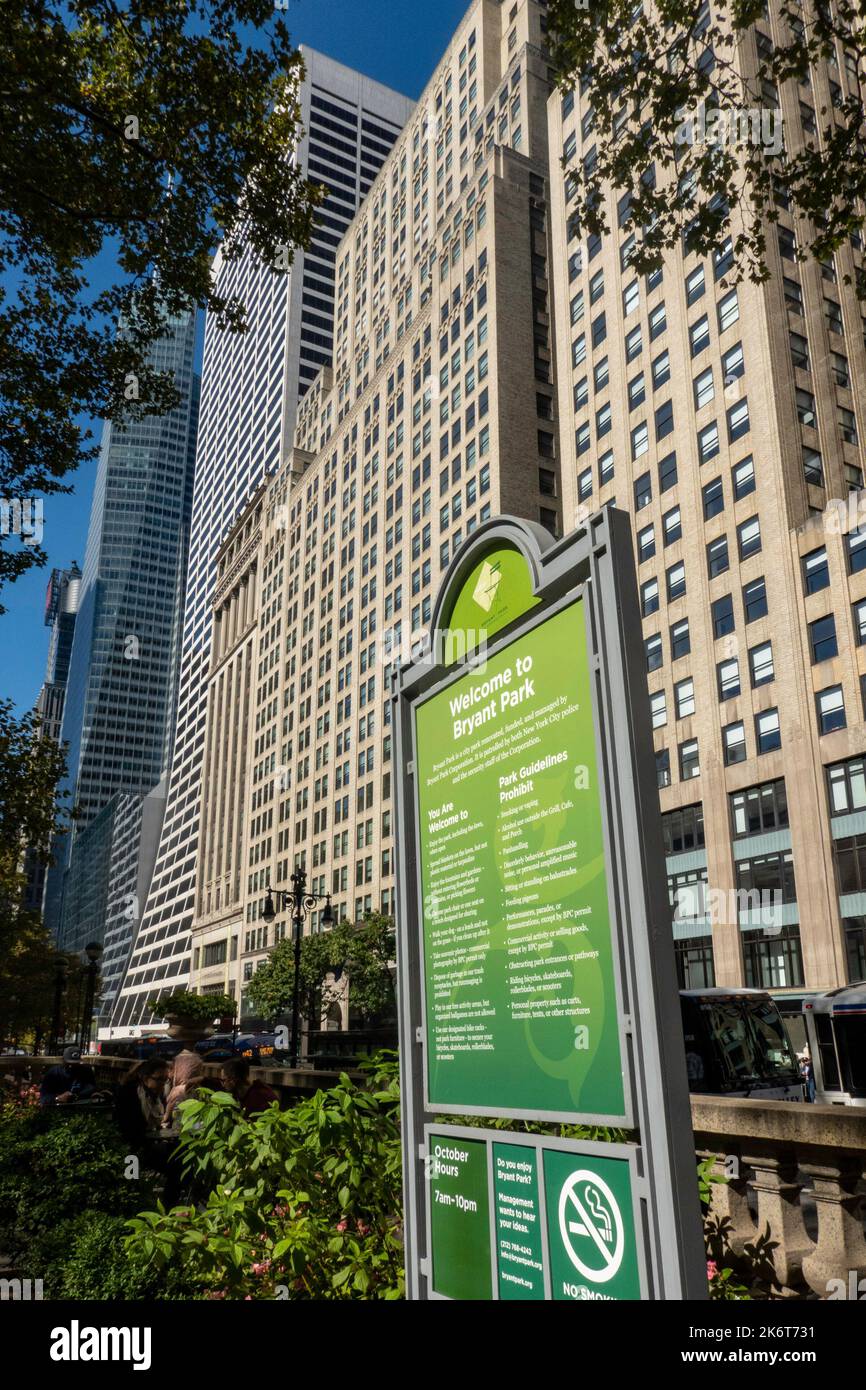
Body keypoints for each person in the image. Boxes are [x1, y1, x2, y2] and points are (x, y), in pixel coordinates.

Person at [115, 1057, 169, 1146]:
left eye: (165, 1079)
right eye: (159, 1079)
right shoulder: (130, 1094)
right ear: (145, 1079)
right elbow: (129, 1129)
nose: (163, 1084)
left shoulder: (159, 1095)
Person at [163, 1050, 207, 1130]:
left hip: (183, 1131)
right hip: (198, 1129)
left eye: (173, 1068)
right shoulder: (201, 1089)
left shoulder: (178, 1090)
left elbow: (166, 1117)